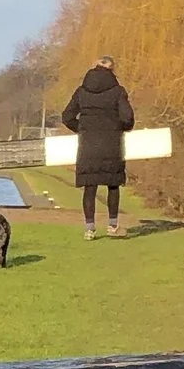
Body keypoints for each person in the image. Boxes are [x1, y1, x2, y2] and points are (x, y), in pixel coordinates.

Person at [61, 58, 134, 237]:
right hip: (111, 145)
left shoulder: (81, 92)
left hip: (88, 146)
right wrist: (119, 128)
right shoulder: (118, 91)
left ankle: (89, 229)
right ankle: (112, 226)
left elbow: (67, 116)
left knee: (90, 187)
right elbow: (127, 118)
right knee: (113, 185)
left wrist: (81, 128)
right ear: (112, 69)